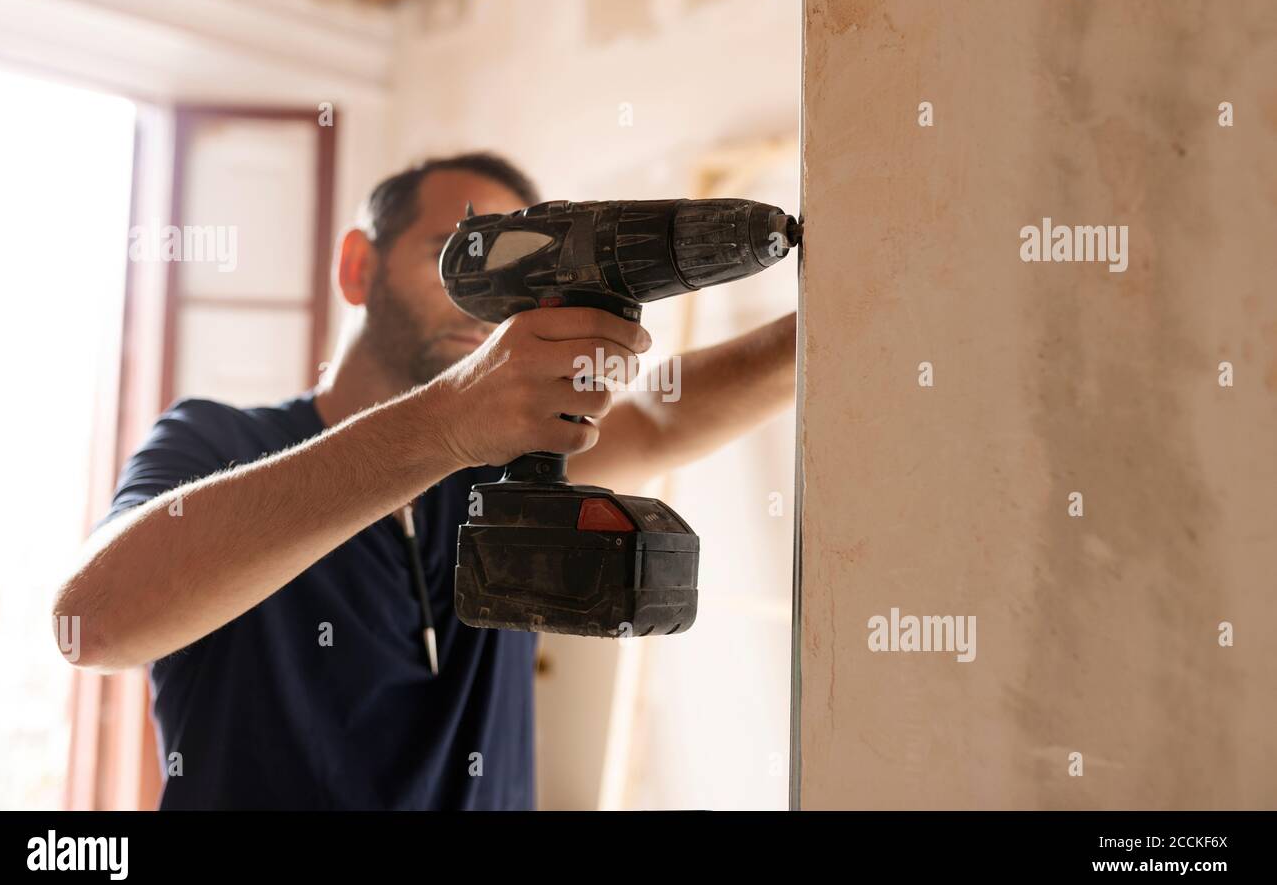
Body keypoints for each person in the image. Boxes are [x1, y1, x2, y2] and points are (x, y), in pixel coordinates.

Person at [54, 152, 796, 809]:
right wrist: (444, 425)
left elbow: (663, 421)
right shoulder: (218, 440)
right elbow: (93, 624)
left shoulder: (501, 463)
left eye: (523, 275)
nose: (493, 308)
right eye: (459, 258)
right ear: (357, 267)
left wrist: (832, 320)